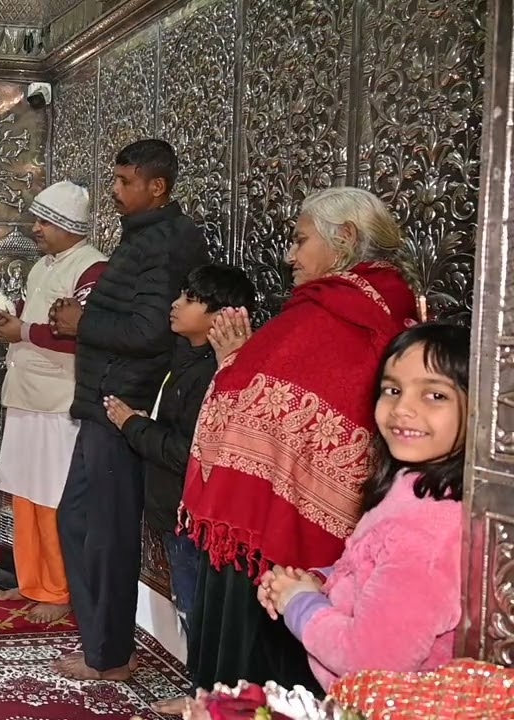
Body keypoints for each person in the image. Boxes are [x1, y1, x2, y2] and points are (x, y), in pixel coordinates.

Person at [179, 186, 419, 693]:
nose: (290, 254)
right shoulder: (396, 305)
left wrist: (232, 364)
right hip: (348, 523)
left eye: (300, 239)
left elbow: (253, 406)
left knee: (261, 671)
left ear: (345, 238)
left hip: (270, 533)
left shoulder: (326, 313)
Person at [47, 138, 209, 681]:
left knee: (103, 529)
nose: (114, 192)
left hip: (123, 405)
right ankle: (104, 644)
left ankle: (109, 655)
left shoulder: (165, 241)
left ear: (156, 186)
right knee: (81, 520)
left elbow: (148, 330)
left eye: (123, 182)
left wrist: (80, 323)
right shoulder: (144, 236)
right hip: (104, 403)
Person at [259, 322, 466, 690]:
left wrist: (299, 603)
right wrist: (318, 582)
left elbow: (370, 664)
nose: (402, 408)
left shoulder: (430, 533)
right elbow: (375, 570)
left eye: (434, 395)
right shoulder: (417, 488)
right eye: (393, 389)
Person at [102, 264, 256, 664]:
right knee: (190, 603)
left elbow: (187, 449)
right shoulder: (188, 359)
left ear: (221, 315)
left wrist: (131, 425)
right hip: (176, 509)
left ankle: (205, 694)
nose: (176, 304)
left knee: (197, 607)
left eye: (189, 299)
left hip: (193, 514)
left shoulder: (211, 373)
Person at [0, 180, 108, 624]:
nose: (35, 228)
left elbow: (81, 335)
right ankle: (32, 581)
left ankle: (60, 590)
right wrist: (12, 319)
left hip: (60, 402)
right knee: (24, 494)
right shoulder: (43, 266)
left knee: (55, 499)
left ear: (66, 225)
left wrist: (21, 332)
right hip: (26, 396)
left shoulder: (93, 269)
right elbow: (39, 321)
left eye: (43, 221)